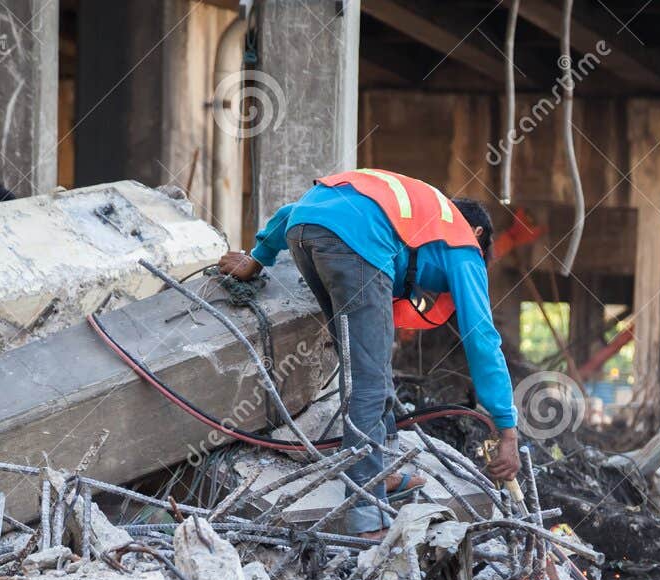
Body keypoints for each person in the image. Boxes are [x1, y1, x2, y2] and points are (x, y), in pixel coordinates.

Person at [217, 168, 520, 538]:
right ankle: (366, 517)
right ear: (478, 235)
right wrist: (507, 430)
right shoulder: (462, 245)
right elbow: (482, 339)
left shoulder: (410, 211)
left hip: (307, 230)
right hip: (357, 246)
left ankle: (383, 470)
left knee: (366, 362)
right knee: (368, 380)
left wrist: (258, 256)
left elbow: (299, 211)